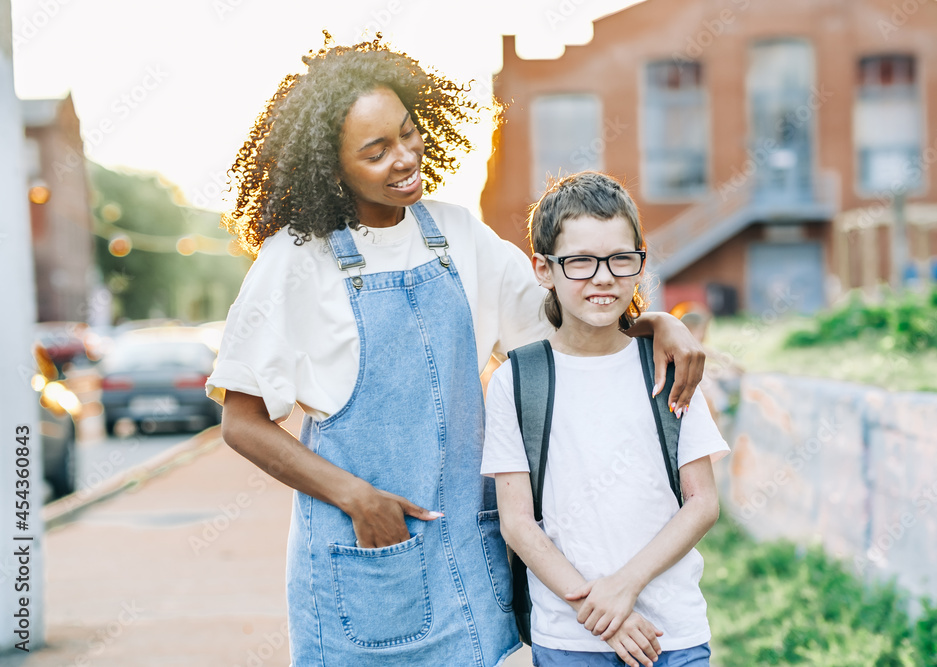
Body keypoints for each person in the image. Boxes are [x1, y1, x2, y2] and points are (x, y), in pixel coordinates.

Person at [207, 34, 706, 666]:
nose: (405, 156)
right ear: (332, 167)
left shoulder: (457, 234)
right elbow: (241, 423)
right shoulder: (296, 260)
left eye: (409, 132)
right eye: (376, 150)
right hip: (367, 554)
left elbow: (566, 323)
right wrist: (360, 500)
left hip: (467, 551)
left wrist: (656, 323)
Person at [482, 172, 729, 667]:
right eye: (579, 261)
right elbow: (517, 522)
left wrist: (624, 587)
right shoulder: (518, 379)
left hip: (671, 635)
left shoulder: (665, 365)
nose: (603, 277)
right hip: (570, 638)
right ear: (544, 269)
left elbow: (701, 503)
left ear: (640, 262)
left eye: (621, 259)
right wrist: (600, 607)